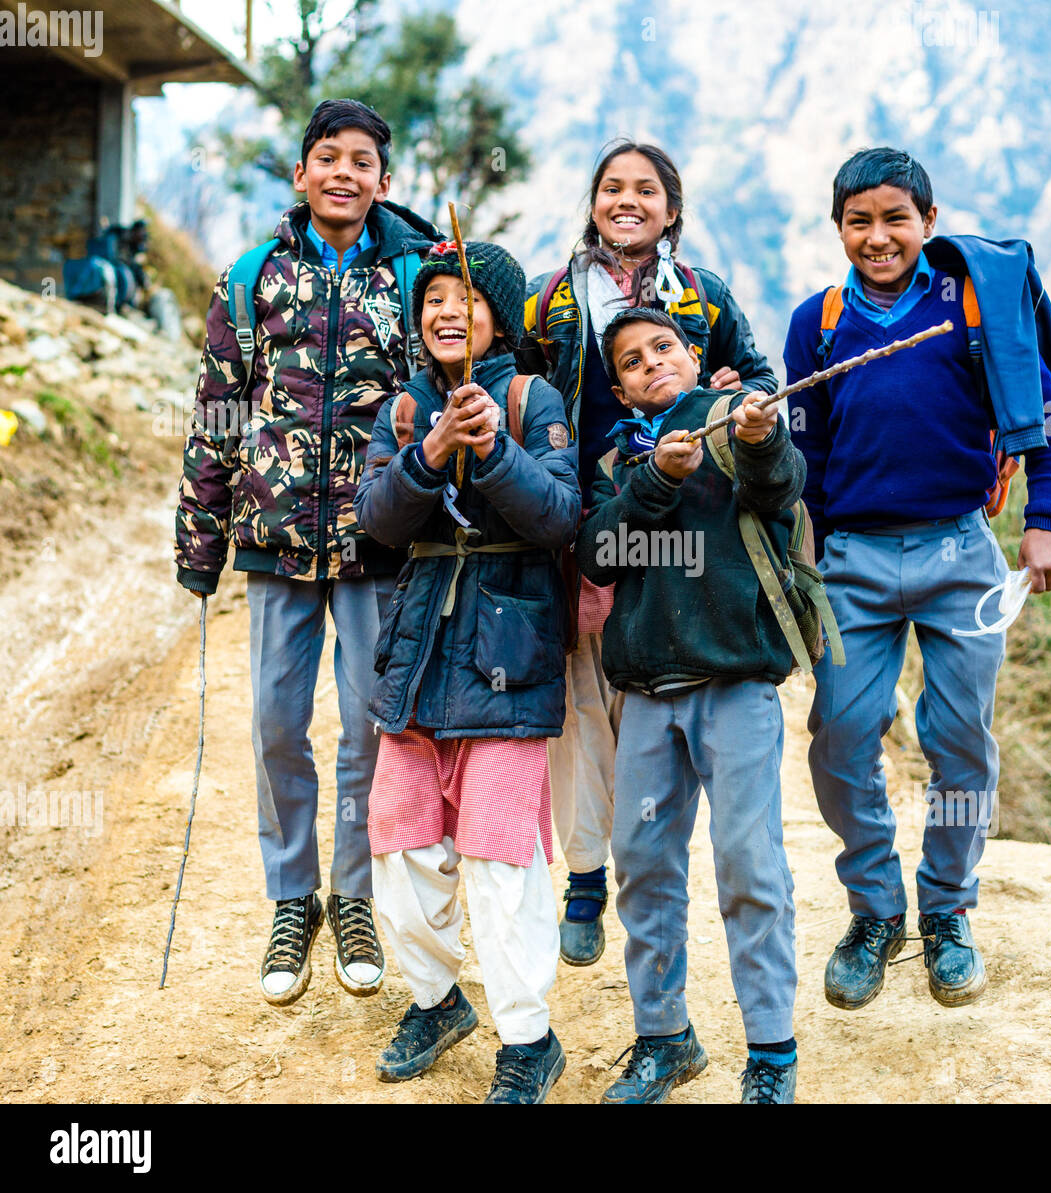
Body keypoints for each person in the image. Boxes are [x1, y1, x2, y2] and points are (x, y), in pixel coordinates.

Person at [784, 146, 1051, 1012]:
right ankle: (875, 911)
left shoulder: (979, 306)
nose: (878, 237)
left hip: (962, 551)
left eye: (894, 219)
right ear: (837, 227)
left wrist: (1044, 523)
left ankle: (948, 909)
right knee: (839, 737)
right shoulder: (819, 319)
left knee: (960, 744)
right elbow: (806, 453)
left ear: (929, 220)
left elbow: (1048, 414)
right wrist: (807, 556)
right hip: (854, 562)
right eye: (859, 221)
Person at [174, 98, 438, 1006]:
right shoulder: (250, 278)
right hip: (276, 540)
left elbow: (443, 393)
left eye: (362, 161)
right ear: (301, 173)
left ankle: (353, 893)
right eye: (328, 157)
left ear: (384, 182)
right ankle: (294, 897)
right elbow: (217, 414)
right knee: (279, 726)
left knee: (369, 727)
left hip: (376, 539)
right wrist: (199, 542)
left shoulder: (411, 277)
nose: (343, 174)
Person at [520, 139, 777, 966]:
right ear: (591, 201)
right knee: (585, 708)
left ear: (672, 207)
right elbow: (519, 393)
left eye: (646, 190)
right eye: (610, 188)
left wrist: (744, 400)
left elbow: (760, 375)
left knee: (646, 707)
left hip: (685, 534)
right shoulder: (551, 300)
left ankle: (649, 874)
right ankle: (588, 877)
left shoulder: (701, 299)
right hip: (593, 521)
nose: (625, 201)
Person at [354, 240, 580, 1103]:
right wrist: (431, 450)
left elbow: (559, 516)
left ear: (499, 313)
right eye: (434, 299)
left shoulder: (531, 399)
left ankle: (529, 1037)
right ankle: (438, 998)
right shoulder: (408, 409)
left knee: (499, 856)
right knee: (401, 843)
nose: (447, 312)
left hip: (509, 654)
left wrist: (491, 451)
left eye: (467, 299)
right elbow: (377, 520)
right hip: (416, 655)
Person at [576, 308, 803, 1104]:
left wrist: (759, 437)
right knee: (642, 867)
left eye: (663, 348)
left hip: (736, 683)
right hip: (643, 695)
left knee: (748, 862)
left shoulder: (733, 420)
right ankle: (664, 1036)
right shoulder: (615, 461)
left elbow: (781, 490)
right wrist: (654, 481)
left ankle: (772, 1048)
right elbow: (598, 549)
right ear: (619, 387)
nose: (651, 365)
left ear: (695, 354)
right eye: (633, 362)